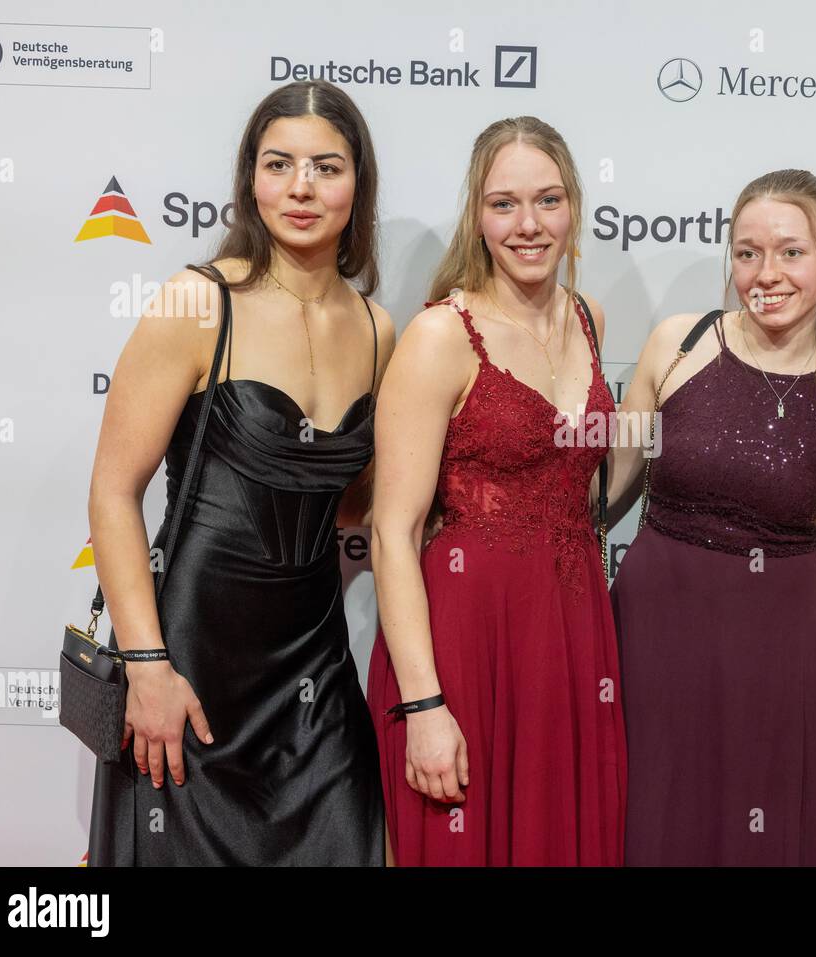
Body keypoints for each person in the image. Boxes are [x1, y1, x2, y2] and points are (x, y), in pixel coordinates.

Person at [85, 80, 394, 865]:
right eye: (278, 164)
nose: (300, 187)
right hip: (191, 659)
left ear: (358, 184)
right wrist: (147, 664)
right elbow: (114, 491)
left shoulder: (375, 326)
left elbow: (352, 500)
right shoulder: (199, 302)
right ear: (249, 179)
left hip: (316, 670)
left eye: (326, 167)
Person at [605, 170, 816, 865]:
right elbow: (597, 493)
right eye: (747, 252)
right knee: (648, 825)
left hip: (778, 661)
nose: (766, 274)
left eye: (791, 252)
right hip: (651, 641)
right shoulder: (679, 343)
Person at [366, 116, 626, 865]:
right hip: (463, 644)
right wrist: (423, 705)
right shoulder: (441, 336)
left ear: (573, 205)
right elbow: (392, 532)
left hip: (574, 637)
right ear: (477, 216)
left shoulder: (590, 318)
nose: (528, 224)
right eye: (504, 203)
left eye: (547, 200)